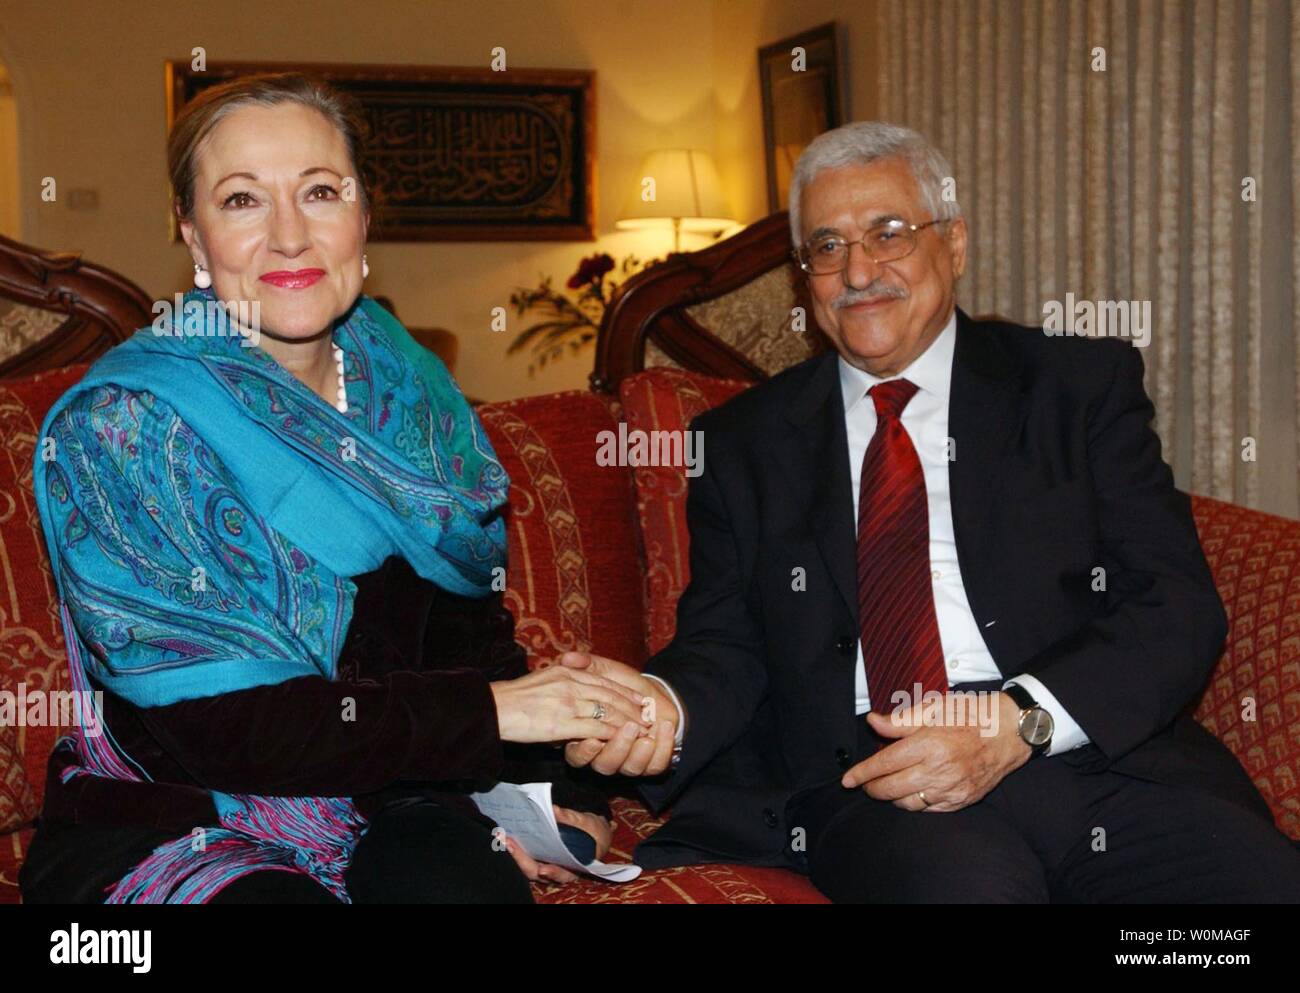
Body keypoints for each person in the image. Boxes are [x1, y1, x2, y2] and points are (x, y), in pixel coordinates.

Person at [559, 121, 1300, 902]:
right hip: (877, 777)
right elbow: (725, 642)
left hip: (1082, 747)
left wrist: (1017, 723)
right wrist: (661, 705)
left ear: (954, 244)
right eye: (827, 246)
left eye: (888, 233)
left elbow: (1176, 604)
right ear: (803, 279)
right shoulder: (742, 444)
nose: (859, 270)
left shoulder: (1075, 388)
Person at [19, 72, 654, 904]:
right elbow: (212, 724)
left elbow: (465, 632)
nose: (289, 236)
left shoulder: (414, 392)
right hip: (175, 809)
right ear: (194, 236)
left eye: (320, 191)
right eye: (242, 200)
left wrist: (553, 793)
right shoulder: (124, 423)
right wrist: (490, 712)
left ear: (363, 219)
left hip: (394, 789)